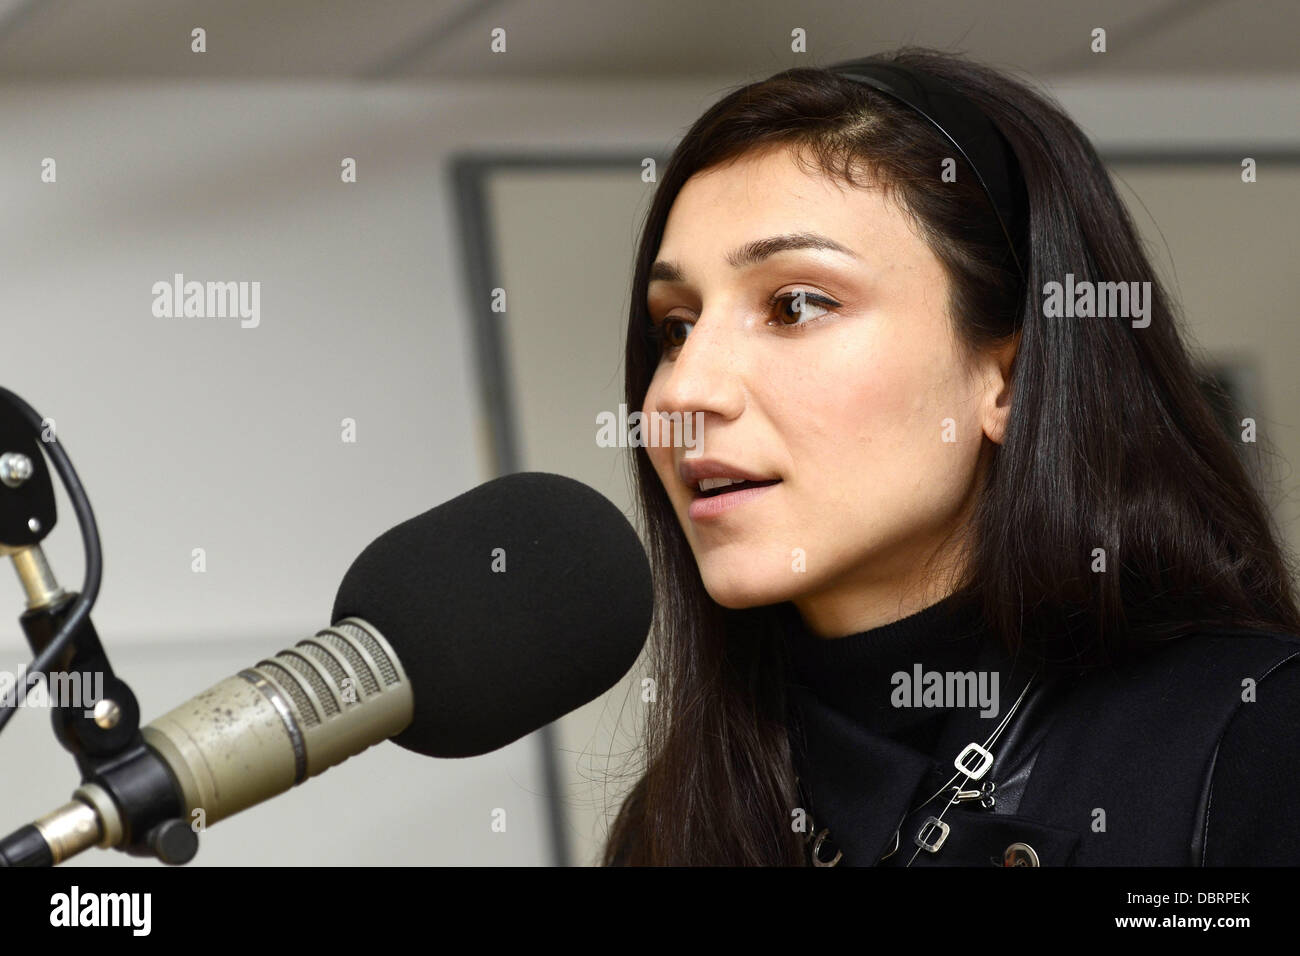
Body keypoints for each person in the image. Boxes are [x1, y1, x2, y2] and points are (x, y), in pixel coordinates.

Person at [602, 47, 1300, 866]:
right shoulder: (673, 821)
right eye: (675, 328)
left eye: (795, 305)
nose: (684, 394)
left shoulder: (1258, 735)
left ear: (1006, 377)